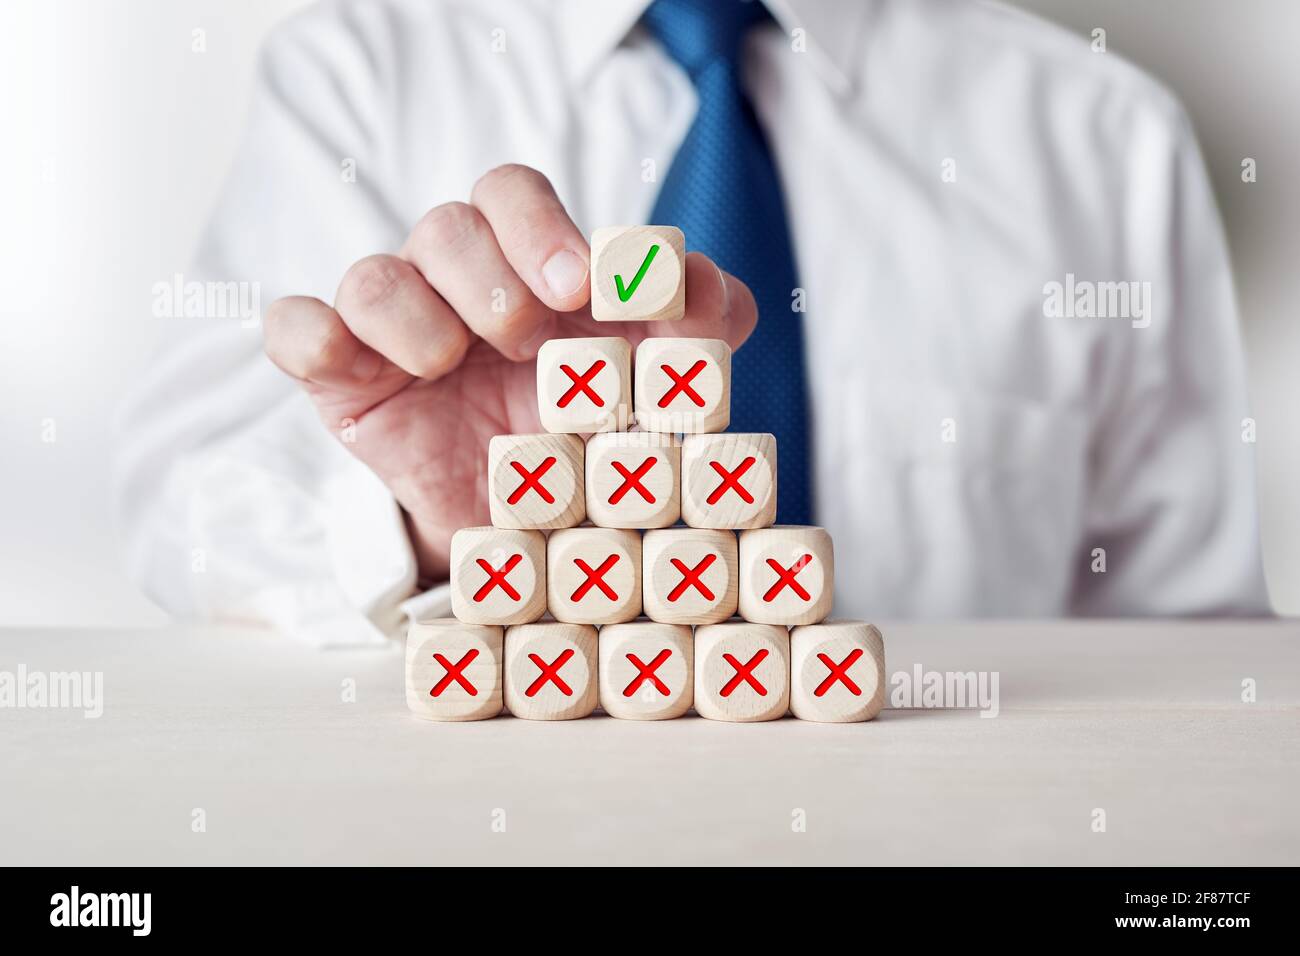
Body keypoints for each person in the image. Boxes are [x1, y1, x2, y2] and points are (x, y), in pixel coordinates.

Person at [113, 0, 1271, 645]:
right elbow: (178, 518)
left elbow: (1193, 653)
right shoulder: (354, 74)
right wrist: (436, 525)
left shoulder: (1103, 134)